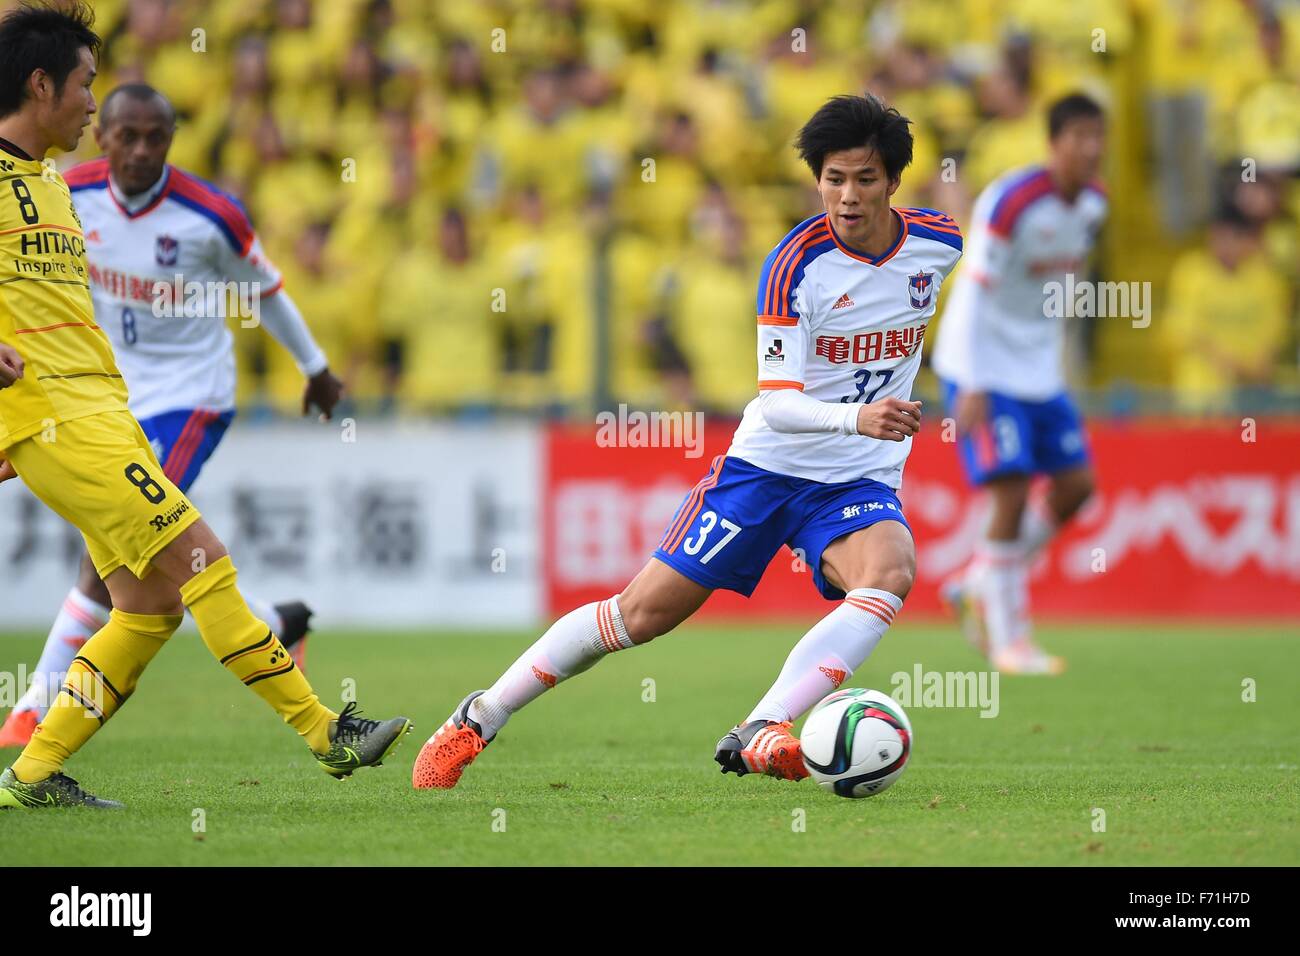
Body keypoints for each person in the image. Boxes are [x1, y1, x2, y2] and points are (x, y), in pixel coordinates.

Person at [411, 93, 963, 790]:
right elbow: (779, 404)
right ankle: (479, 717)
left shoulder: (938, 246)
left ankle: (764, 725)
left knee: (890, 573)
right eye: (833, 179)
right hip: (767, 469)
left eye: (864, 179)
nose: (847, 196)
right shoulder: (795, 266)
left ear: (893, 182)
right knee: (637, 616)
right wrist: (861, 418)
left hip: (858, 481)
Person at [0, 2, 408, 810]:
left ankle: (35, 773)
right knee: (202, 560)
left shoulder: (49, 180)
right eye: (85, 85)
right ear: (40, 83)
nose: (91, 102)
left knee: (147, 606)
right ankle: (327, 734)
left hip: (99, 412)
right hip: (63, 422)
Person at [0, 82, 340, 747]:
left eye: (156, 137)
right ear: (104, 137)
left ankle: (35, 709)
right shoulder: (60, 192)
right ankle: (273, 622)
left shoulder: (210, 214)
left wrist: (316, 366)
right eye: (126, 134)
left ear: (173, 141)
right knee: (153, 571)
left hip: (190, 395)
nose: (140, 149)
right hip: (98, 394)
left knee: (115, 562)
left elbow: (264, 292)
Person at [931, 93, 1108, 675]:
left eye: (1097, 136)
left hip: (1038, 370)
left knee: (1076, 486)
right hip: (981, 363)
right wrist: (973, 379)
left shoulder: (1093, 207)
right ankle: (1011, 640)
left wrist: (1058, 365)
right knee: (1009, 491)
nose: (1091, 148)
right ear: (1053, 142)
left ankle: (978, 581)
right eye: (1079, 136)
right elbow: (976, 289)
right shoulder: (1012, 201)